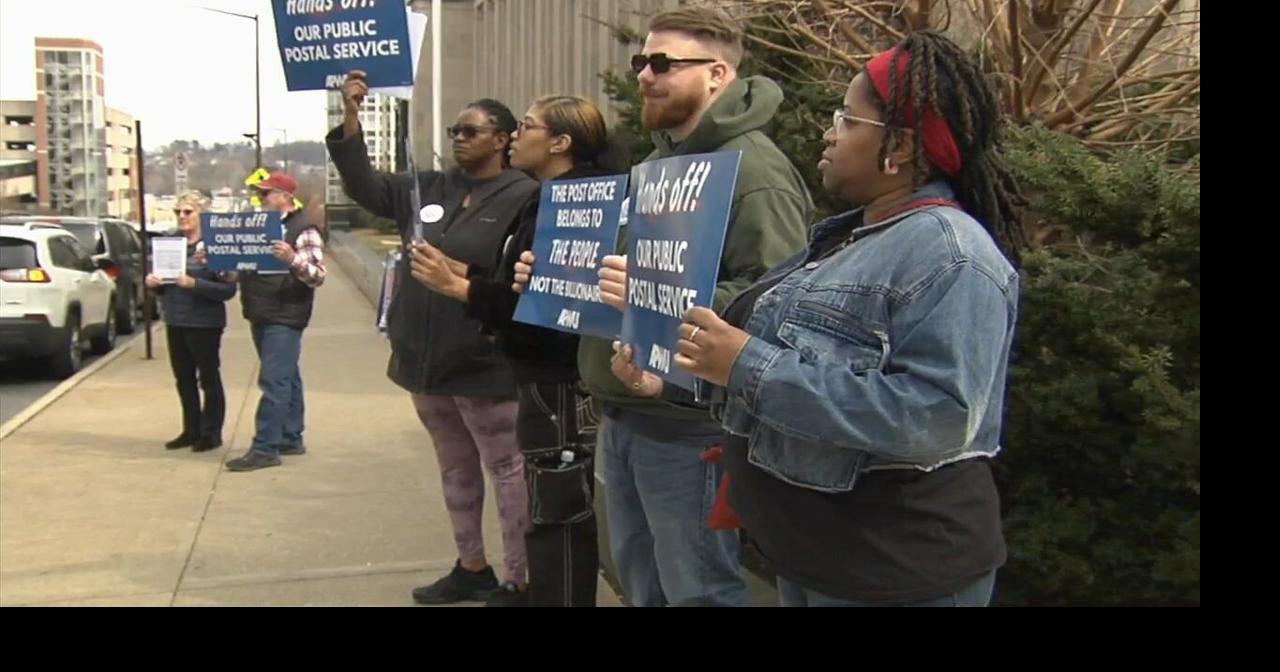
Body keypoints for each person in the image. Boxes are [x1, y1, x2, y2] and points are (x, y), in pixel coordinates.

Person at [614, 31, 1025, 607]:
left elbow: (937, 416)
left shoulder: (950, 253)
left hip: (893, 570)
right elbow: (787, 366)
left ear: (899, 146)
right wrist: (674, 379)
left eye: (848, 120)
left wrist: (745, 364)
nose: (828, 133)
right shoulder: (847, 239)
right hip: (814, 554)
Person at [327, 70, 539, 605]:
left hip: (483, 362)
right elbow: (365, 186)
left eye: (471, 131)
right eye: (454, 131)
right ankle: (472, 566)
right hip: (424, 361)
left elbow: (517, 278)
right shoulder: (429, 188)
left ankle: (520, 577)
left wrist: (459, 273)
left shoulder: (524, 196)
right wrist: (351, 114)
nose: (459, 139)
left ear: (502, 138)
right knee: (455, 469)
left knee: (507, 472)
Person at [226, 171, 327, 472]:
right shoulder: (259, 229)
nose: (261, 198)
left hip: (285, 314)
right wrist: (223, 266)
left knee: (274, 380)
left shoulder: (304, 229)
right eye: (260, 192)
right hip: (260, 310)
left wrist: (292, 259)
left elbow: (317, 276)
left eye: (267, 192)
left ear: (284, 196)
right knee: (287, 376)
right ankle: (290, 436)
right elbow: (243, 269)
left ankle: (265, 447)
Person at [146, 190, 236, 453]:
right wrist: (154, 285)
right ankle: (191, 429)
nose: (182, 217)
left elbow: (228, 290)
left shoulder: (215, 245)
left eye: (188, 211)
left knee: (208, 378)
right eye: (178, 212)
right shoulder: (169, 243)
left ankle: (211, 433)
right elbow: (161, 283)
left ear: (201, 215)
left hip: (204, 322)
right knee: (183, 378)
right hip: (175, 318)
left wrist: (194, 283)